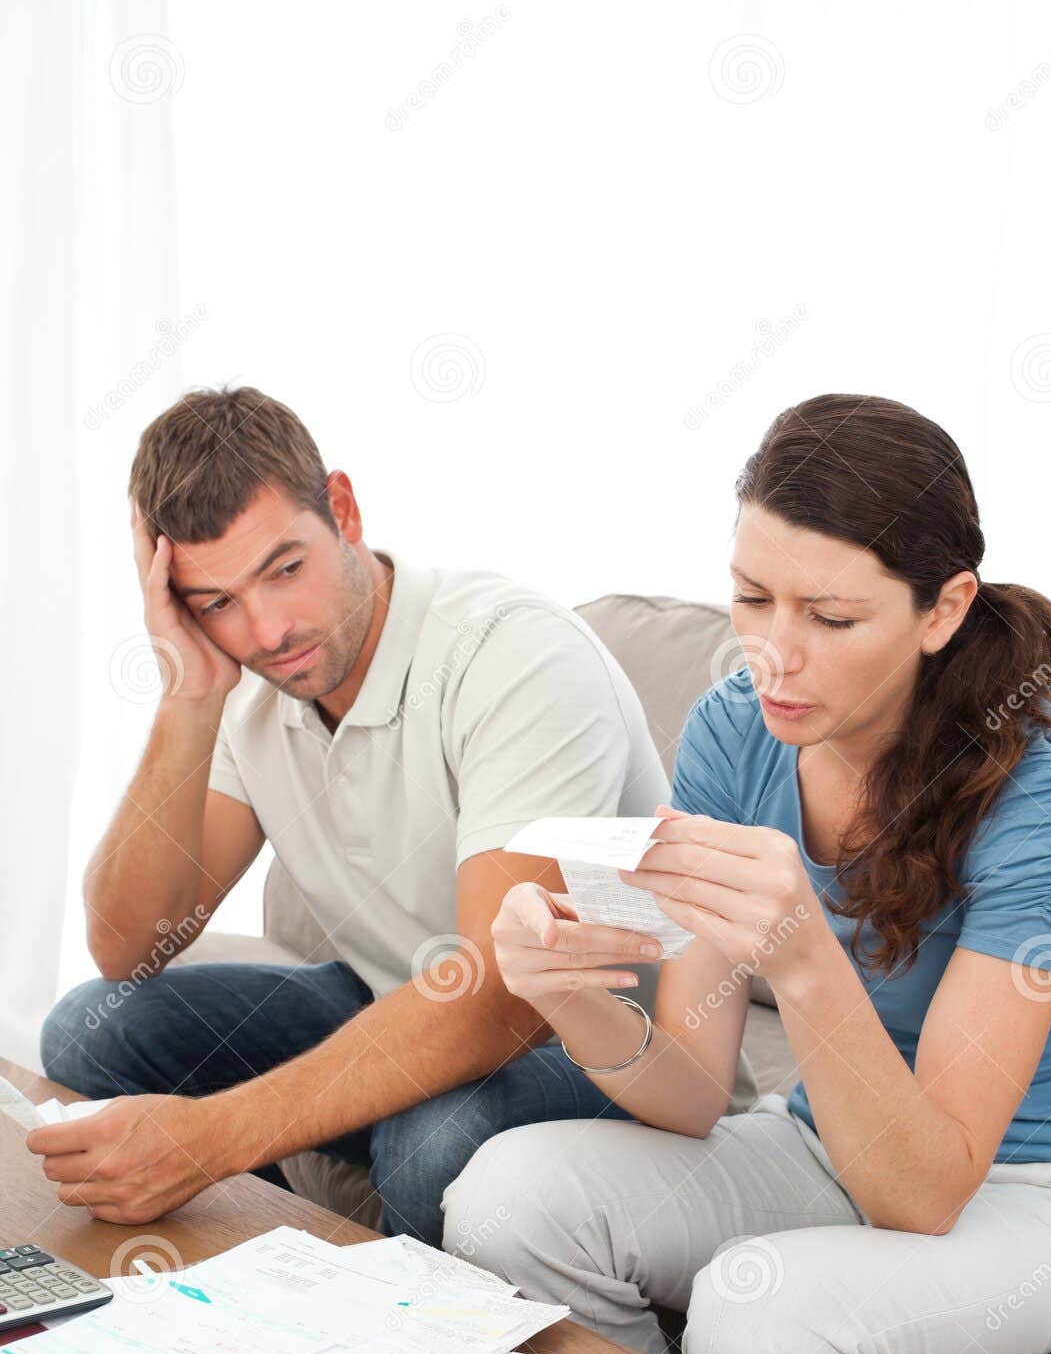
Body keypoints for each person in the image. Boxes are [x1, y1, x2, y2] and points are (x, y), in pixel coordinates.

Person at [441, 392, 1051, 1354]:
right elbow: (692, 1092)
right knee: (504, 1197)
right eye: (751, 599)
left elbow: (925, 1191)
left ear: (942, 610)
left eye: (829, 620)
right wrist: (568, 996)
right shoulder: (734, 731)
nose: (772, 656)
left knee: (760, 1318)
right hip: (821, 1142)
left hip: (1047, 1199)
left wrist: (800, 957)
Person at [34, 385, 671, 1243]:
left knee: (430, 1141)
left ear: (342, 507)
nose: (267, 631)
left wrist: (209, 1138)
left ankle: (389, 1321)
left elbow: (501, 1000)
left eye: (283, 570)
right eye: (217, 602)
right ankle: (250, 1287)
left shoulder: (513, 656)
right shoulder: (246, 681)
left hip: (612, 1051)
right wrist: (187, 698)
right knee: (93, 1030)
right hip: (403, 999)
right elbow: (127, 945)